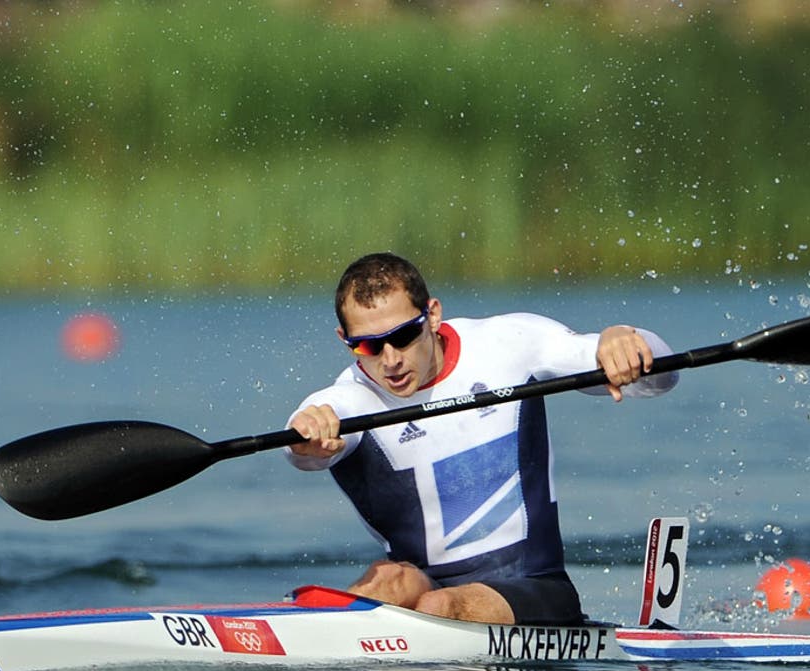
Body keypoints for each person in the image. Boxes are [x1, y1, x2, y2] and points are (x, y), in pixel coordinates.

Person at [285, 252, 678, 625]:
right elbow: (305, 448)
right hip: (426, 588)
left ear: (433, 315)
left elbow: (662, 377)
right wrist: (307, 440)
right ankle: (311, 631)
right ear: (345, 339)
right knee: (388, 580)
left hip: (536, 587)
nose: (390, 360)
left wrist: (623, 340)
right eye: (369, 345)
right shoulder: (350, 398)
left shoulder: (507, 342)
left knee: (438, 605)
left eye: (404, 336)